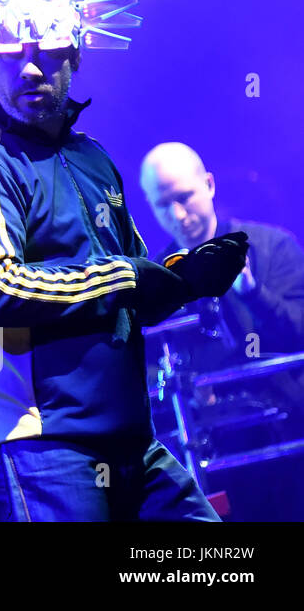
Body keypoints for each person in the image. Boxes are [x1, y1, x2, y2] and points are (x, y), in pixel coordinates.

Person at [0, 0, 248, 521]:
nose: (31, 70)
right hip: (37, 445)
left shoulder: (92, 158)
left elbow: (139, 279)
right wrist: (127, 277)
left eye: (46, 51)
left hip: (127, 440)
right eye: (12, 54)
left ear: (75, 53)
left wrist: (185, 275)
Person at [139, 141, 304, 518]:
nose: (179, 216)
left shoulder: (272, 248)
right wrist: (184, 386)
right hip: (216, 459)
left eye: (185, 197)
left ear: (210, 185)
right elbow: (139, 371)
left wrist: (253, 293)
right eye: (163, 205)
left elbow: (300, 332)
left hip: (291, 441)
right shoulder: (154, 281)